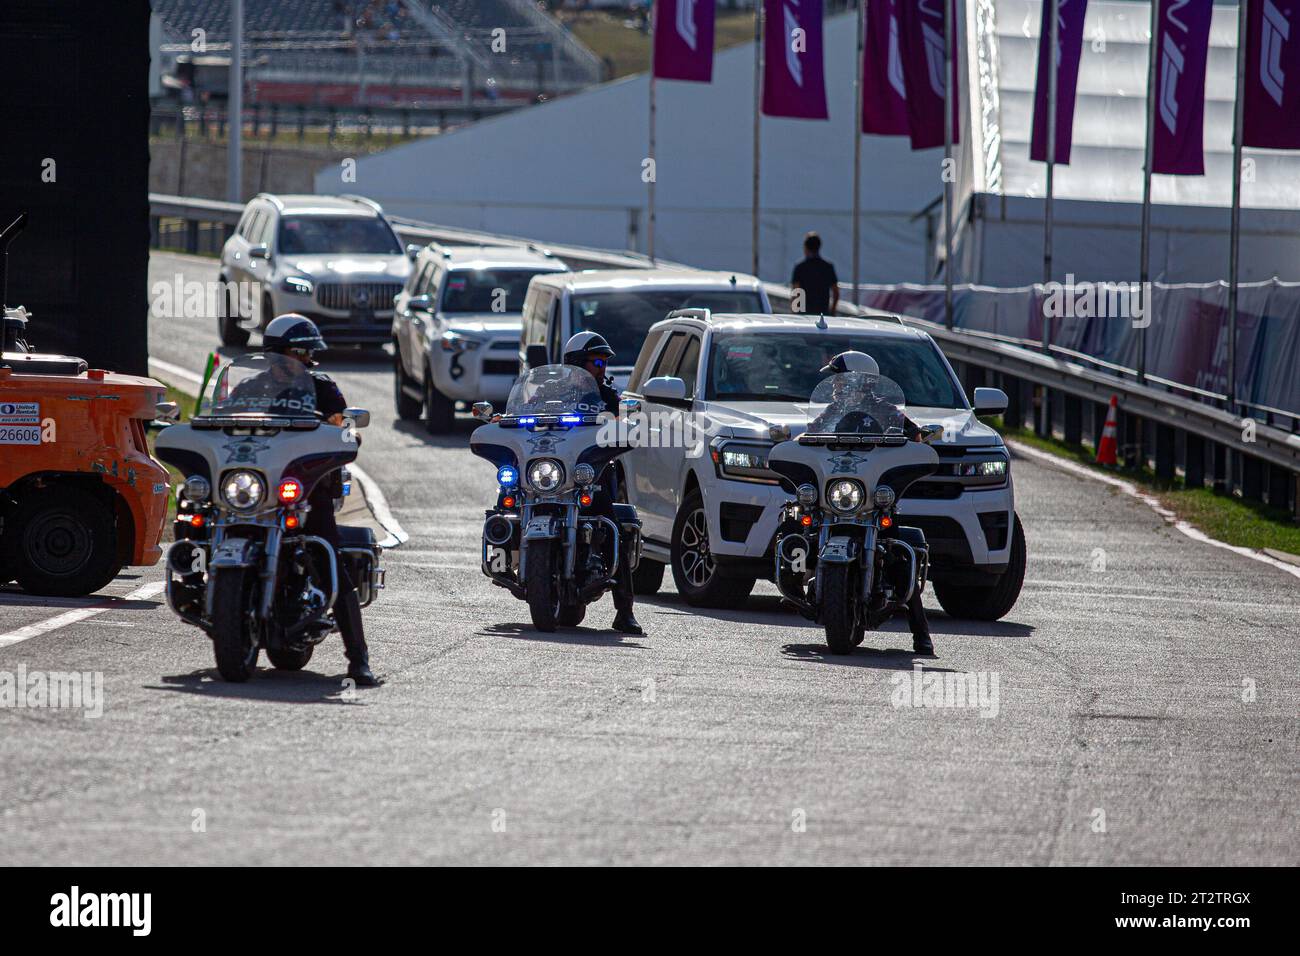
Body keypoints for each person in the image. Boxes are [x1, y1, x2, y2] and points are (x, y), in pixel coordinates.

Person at [261, 313, 382, 686]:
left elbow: (344, 429)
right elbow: (224, 422)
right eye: (299, 352)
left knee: (328, 557)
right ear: (277, 353)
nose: (305, 360)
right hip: (258, 490)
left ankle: (358, 660)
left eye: (308, 353)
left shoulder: (323, 388)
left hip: (308, 491)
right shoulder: (251, 388)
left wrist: (343, 435)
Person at [815, 351, 933, 655]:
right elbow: (809, 434)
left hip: (874, 497)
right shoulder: (831, 412)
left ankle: (921, 633)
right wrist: (794, 439)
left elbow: (915, 436)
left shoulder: (888, 412)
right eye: (834, 381)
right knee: (797, 525)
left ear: (861, 381)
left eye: (839, 380)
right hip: (838, 494)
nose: (835, 386)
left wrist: (917, 440)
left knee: (900, 553)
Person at [562, 331, 643, 635]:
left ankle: (625, 612)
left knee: (614, 530)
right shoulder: (552, 391)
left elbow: (626, 421)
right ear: (576, 363)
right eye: (596, 361)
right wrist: (506, 418)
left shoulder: (607, 396)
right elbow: (526, 410)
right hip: (554, 477)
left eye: (604, 361)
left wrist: (629, 424)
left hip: (591, 479)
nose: (602, 367)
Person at [791, 232, 840, 316]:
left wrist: (795, 314)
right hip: (823, 314)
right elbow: (836, 292)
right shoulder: (828, 267)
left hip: (804, 314)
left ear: (805, 247)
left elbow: (796, 292)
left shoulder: (800, 267)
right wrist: (832, 312)